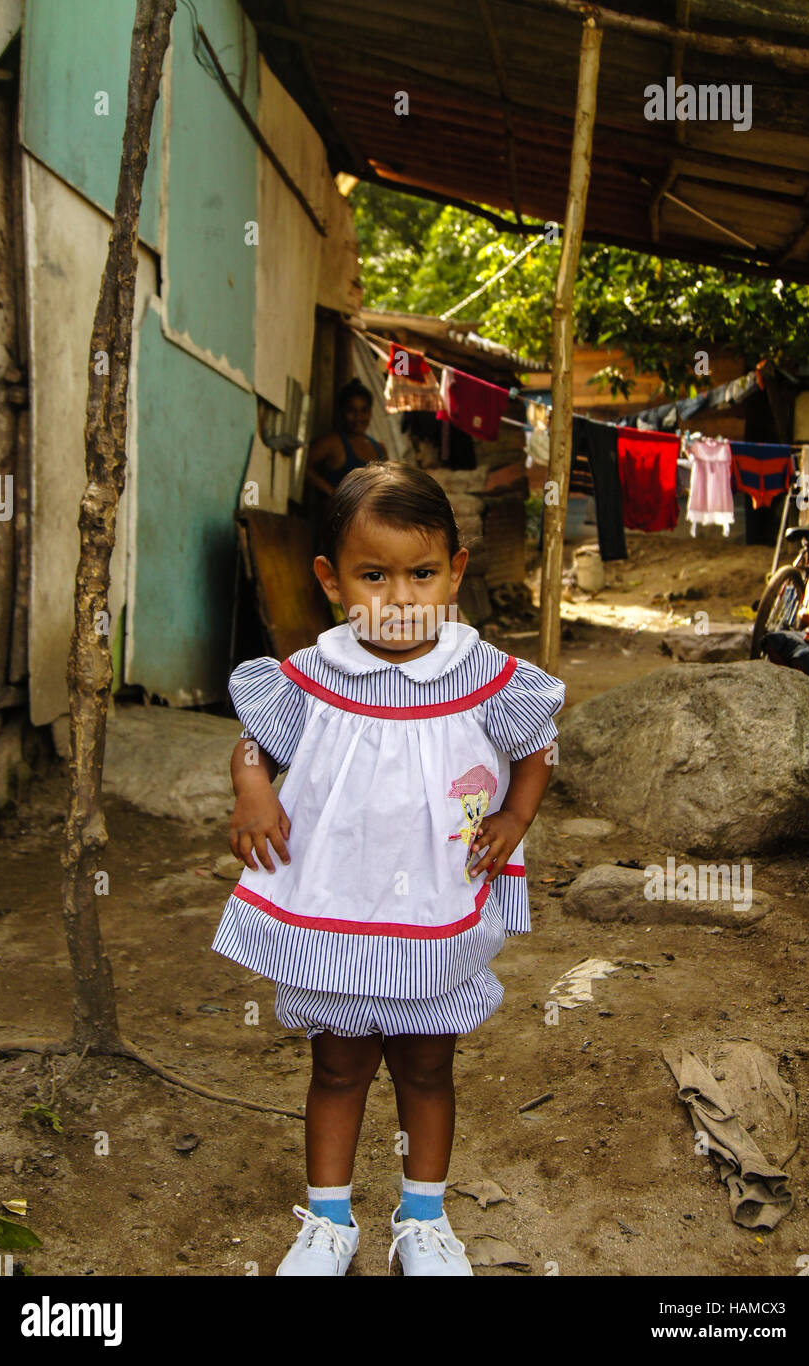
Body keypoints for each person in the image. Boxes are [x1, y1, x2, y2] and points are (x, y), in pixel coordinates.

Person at [212, 462, 565, 1276]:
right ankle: (328, 1225)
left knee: (427, 1063)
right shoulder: (312, 672)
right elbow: (253, 739)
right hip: (336, 905)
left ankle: (424, 1219)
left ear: (456, 572)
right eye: (374, 575)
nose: (400, 597)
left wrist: (515, 816)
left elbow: (536, 748)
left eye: (421, 573)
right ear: (332, 580)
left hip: (433, 910)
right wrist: (251, 787)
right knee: (335, 1064)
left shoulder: (480, 675)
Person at [762, 519, 809, 685]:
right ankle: (790, 684)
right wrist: (804, 615)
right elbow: (804, 611)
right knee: (771, 640)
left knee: (801, 657)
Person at [305, 378, 388, 497]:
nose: (358, 417)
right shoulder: (332, 442)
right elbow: (303, 464)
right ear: (342, 412)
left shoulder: (380, 449)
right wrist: (332, 493)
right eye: (351, 410)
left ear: (370, 412)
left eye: (363, 410)